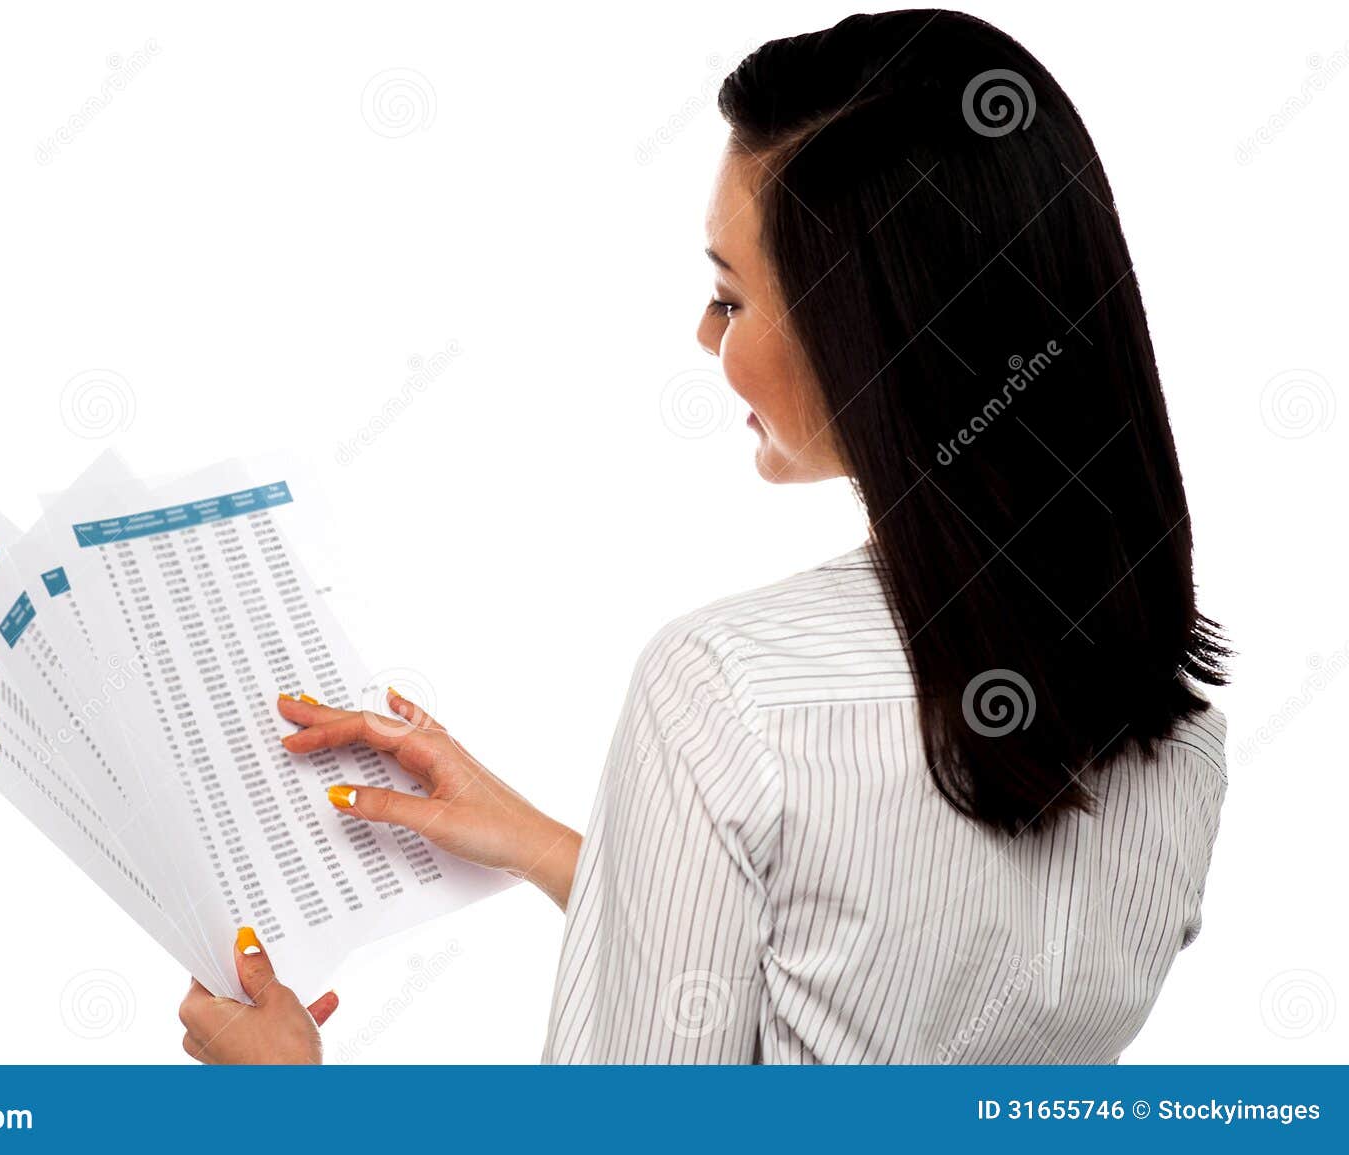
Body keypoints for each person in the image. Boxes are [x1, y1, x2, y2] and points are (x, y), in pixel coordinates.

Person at [177, 8, 1228, 1065]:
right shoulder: (1175, 727)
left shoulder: (723, 689)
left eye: (730, 295)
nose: (703, 334)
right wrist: (564, 849)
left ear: (862, 332)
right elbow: (867, 998)